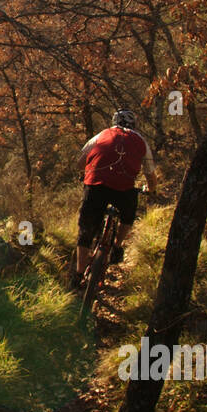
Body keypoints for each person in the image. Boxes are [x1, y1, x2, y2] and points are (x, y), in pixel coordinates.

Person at [70, 109, 157, 289]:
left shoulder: (101, 135)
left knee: (85, 231)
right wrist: (151, 190)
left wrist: (84, 174)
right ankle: (117, 246)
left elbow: (80, 162)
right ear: (134, 125)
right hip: (124, 189)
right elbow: (150, 172)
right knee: (128, 215)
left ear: (114, 121)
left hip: (96, 186)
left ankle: (78, 274)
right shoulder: (140, 141)